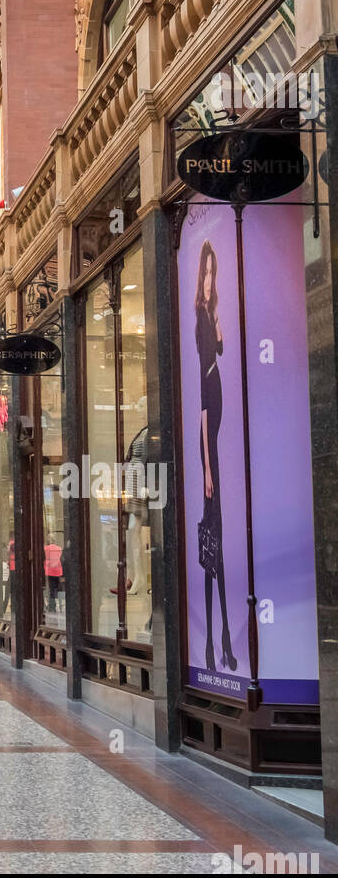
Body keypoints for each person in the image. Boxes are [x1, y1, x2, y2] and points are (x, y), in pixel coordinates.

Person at [196, 239, 236, 674]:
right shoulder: (196, 325)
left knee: (217, 535)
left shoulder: (210, 317)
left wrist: (219, 318)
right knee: (213, 538)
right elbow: (205, 405)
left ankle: (218, 640)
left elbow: (223, 349)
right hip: (211, 433)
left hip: (218, 429)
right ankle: (214, 640)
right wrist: (207, 465)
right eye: (204, 274)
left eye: (213, 274)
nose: (208, 281)